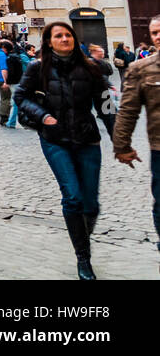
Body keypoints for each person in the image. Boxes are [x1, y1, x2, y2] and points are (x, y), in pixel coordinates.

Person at [15, 20, 115, 280]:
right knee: (73, 197)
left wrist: (120, 140)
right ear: (49, 42)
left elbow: (105, 105)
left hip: (87, 138)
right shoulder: (38, 68)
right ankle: (83, 257)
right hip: (55, 139)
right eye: (58, 36)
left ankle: (81, 236)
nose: (64, 39)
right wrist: (43, 116)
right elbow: (20, 97)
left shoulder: (91, 68)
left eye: (68, 35)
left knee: (90, 204)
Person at [112, 14, 160, 265]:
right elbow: (128, 111)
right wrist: (121, 146)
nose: (158, 36)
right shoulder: (141, 69)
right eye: (154, 33)